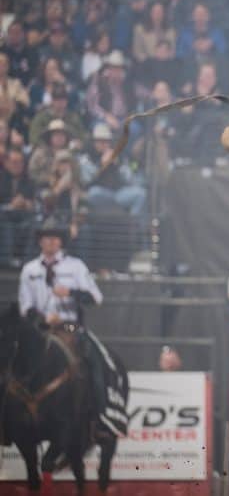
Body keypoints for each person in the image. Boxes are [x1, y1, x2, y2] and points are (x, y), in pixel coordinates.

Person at [18, 219, 125, 437]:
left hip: (70, 329)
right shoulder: (29, 270)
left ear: (61, 242)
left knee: (96, 361)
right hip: (41, 331)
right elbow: (25, 306)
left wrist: (71, 293)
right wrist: (45, 318)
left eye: (55, 237)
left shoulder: (75, 266)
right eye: (46, 237)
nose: (51, 241)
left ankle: (101, 415)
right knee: (13, 362)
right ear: (40, 241)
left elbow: (96, 297)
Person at [79, 122, 147, 216]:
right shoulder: (87, 157)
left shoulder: (118, 155)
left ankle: (132, 225)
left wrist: (118, 165)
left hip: (118, 194)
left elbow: (130, 179)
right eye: (100, 141)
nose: (103, 144)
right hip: (101, 193)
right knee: (93, 193)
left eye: (106, 141)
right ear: (94, 142)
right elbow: (86, 180)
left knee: (140, 194)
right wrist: (101, 164)